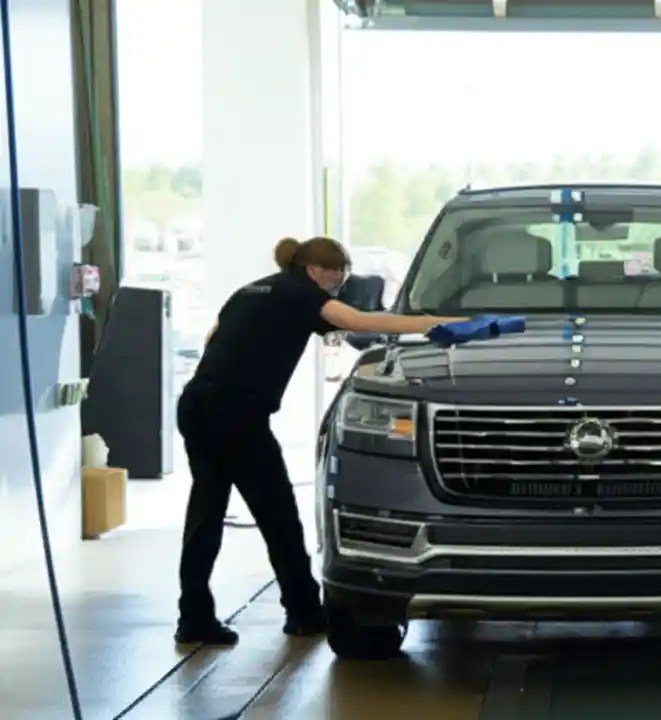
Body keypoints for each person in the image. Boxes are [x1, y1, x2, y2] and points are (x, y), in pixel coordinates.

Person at [175, 236, 468, 645]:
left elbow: (214, 338)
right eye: (338, 273)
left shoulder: (252, 290)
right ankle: (304, 613)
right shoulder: (301, 294)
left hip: (198, 405)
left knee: (206, 511)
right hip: (237, 415)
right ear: (316, 270)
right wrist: (439, 324)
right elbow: (364, 322)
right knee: (278, 515)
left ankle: (194, 617)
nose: (340, 282)